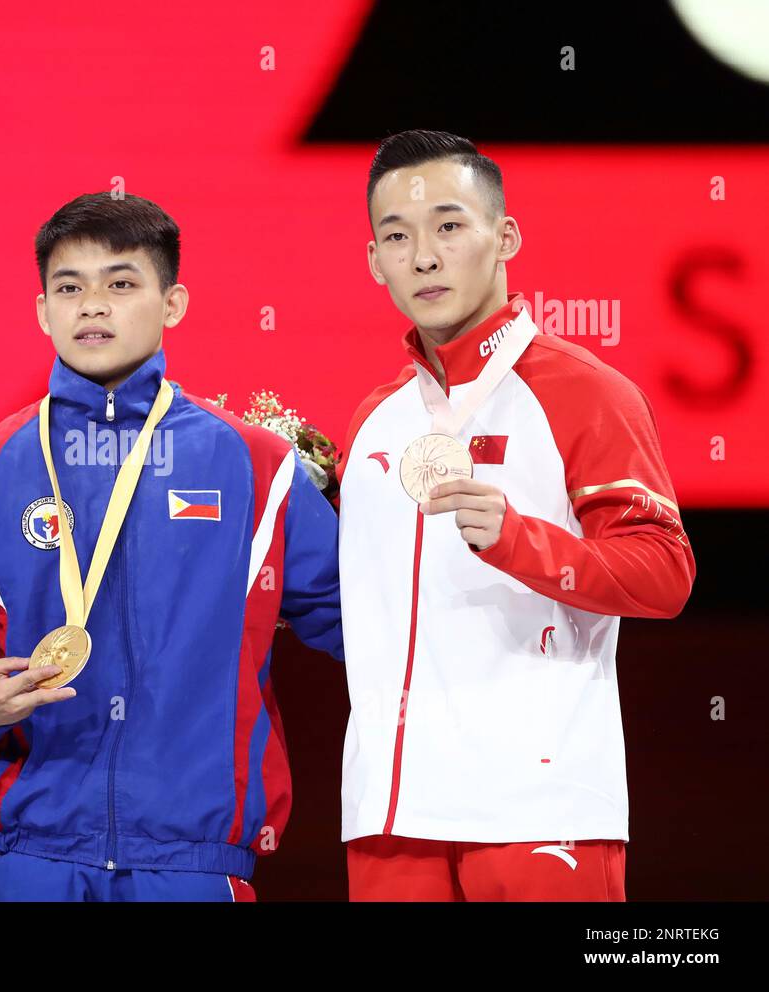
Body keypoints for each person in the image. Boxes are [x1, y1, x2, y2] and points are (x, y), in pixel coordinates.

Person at [0, 192, 342, 901]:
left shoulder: (257, 468)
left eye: (121, 283)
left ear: (173, 304)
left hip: (194, 862)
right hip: (33, 855)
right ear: (43, 310)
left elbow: (367, 619)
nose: (92, 306)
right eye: (69, 287)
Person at [337, 129, 696, 901]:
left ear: (505, 237)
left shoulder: (585, 391)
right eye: (396, 237)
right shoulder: (375, 421)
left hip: (539, 803)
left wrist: (520, 541)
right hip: (390, 812)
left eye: (448, 225)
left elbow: (666, 574)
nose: (423, 257)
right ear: (374, 262)